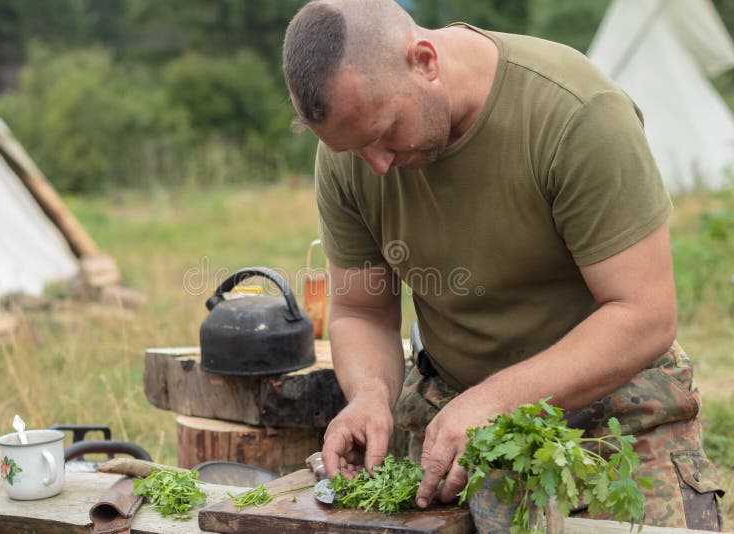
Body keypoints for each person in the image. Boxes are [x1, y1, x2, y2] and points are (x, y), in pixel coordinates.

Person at [282, 0, 724, 529]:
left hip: (615, 402)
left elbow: (645, 314)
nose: (375, 164)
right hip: (453, 406)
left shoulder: (576, 114)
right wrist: (373, 394)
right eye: (355, 149)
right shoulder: (352, 146)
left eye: (384, 134)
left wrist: (497, 400)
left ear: (424, 60)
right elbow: (361, 310)